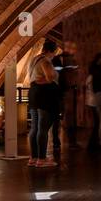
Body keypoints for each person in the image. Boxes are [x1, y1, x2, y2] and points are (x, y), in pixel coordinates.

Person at [26, 40, 61, 168]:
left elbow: (33, 78)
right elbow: (50, 77)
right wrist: (51, 78)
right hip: (43, 95)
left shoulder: (34, 59)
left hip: (33, 94)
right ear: (53, 51)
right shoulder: (45, 61)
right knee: (43, 128)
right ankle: (41, 159)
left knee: (34, 127)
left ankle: (33, 158)